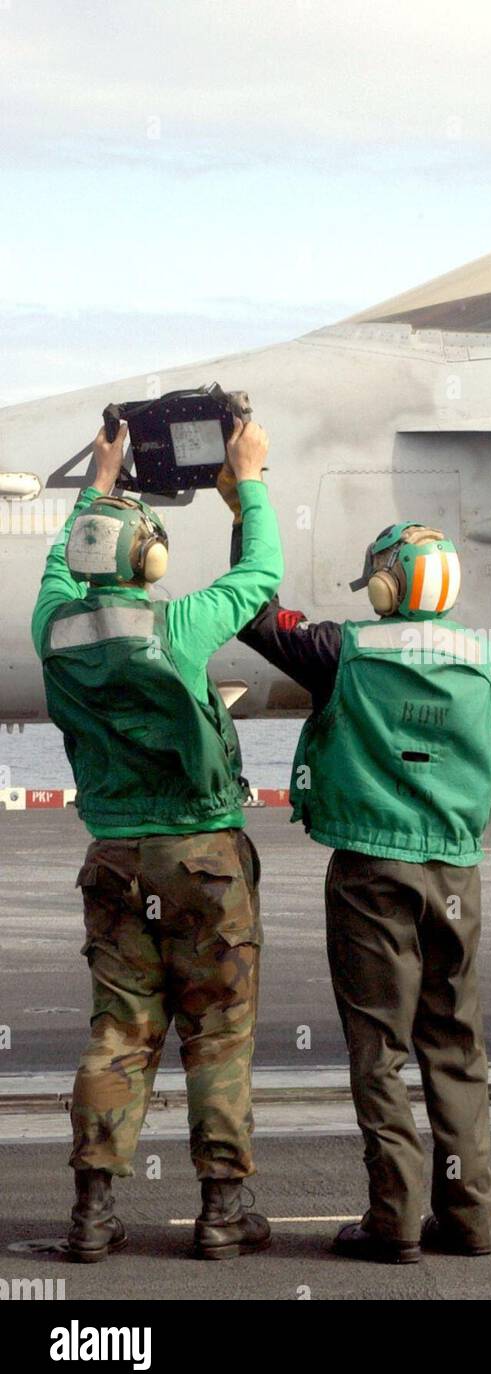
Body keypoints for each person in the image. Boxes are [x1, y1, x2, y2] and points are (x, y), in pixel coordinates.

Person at [222, 507, 491, 1263]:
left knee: (380, 1052)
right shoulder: (487, 659)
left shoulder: (344, 649)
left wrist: (246, 506)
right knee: (456, 1044)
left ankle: (393, 1219)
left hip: (372, 873)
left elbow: (253, 614)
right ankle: (467, 1218)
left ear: (392, 585)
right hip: (457, 873)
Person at [32, 416, 282, 1262]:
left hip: (112, 855)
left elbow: (59, 567)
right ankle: (221, 1212)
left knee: (118, 1033)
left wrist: (98, 484)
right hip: (201, 860)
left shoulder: (54, 631)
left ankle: (93, 1214)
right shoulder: (178, 628)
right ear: (151, 563)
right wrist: (246, 479)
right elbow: (261, 575)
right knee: (215, 1035)